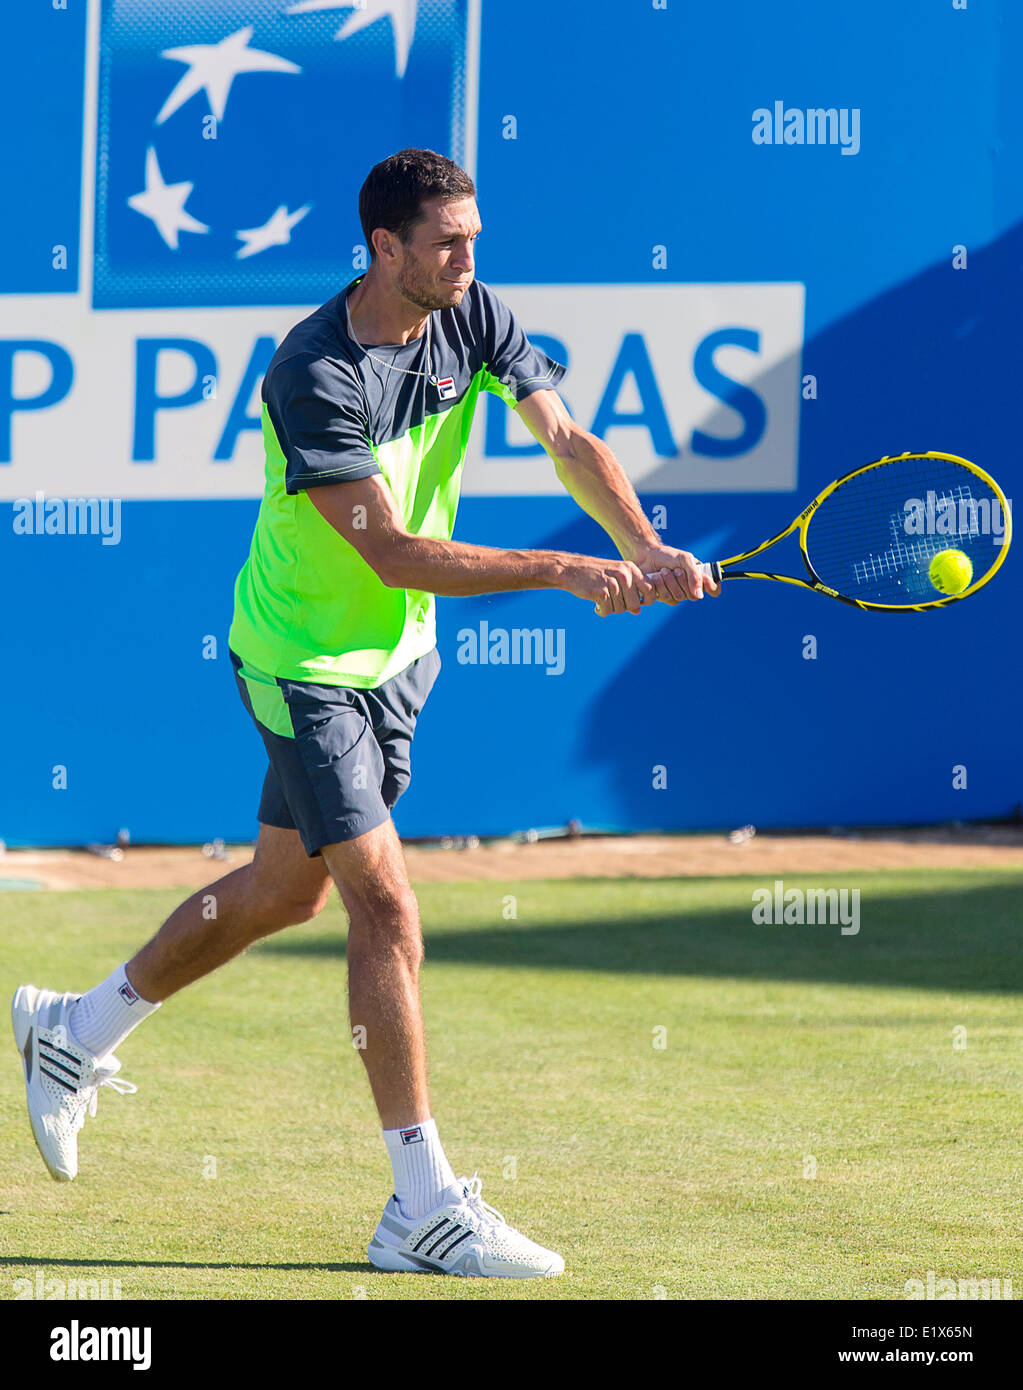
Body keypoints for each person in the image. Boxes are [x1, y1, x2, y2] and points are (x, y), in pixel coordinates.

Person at [12, 147, 718, 1279]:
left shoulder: (472, 310)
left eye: (473, 237)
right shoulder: (314, 371)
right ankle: (421, 1205)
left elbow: (568, 439)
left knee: (281, 892)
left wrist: (642, 546)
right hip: (303, 661)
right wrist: (562, 569)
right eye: (446, 241)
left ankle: (73, 1031)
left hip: (396, 662)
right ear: (384, 247)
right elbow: (390, 551)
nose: (468, 257)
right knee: (385, 909)